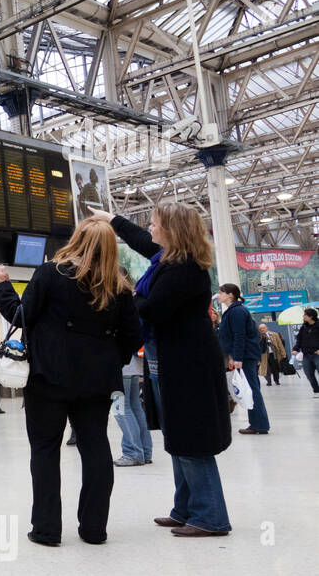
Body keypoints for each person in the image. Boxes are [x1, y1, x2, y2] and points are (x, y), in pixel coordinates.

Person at [0, 221, 141, 546]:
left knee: (44, 450)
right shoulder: (120, 284)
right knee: (95, 446)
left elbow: (21, 316)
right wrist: (109, 360)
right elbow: (132, 335)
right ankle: (94, 529)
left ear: (77, 239)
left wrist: (2, 286)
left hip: (49, 376)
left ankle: (46, 529)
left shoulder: (51, 273)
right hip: (97, 381)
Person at [92, 205, 233, 537]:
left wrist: (122, 289)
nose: (150, 229)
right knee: (178, 437)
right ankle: (185, 509)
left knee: (191, 438)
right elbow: (141, 240)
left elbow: (151, 310)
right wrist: (111, 219)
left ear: (172, 231)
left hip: (190, 363)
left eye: (155, 224)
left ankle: (211, 516)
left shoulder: (181, 271)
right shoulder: (169, 261)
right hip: (177, 358)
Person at [217, 283, 268, 435]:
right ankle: (258, 423)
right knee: (251, 389)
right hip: (244, 355)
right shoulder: (234, 310)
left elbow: (239, 335)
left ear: (230, 295)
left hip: (245, 356)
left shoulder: (237, 311)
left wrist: (237, 357)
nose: (219, 295)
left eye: (221, 292)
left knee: (251, 389)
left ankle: (259, 424)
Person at [113, 350, 153, 467]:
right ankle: (145, 451)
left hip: (121, 367)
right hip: (134, 364)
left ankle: (133, 453)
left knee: (119, 409)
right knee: (135, 407)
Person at [296, 307, 319, 395]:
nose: (303, 316)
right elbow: (299, 339)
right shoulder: (303, 327)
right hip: (306, 355)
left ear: (311, 316)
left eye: (305, 315)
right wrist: (295, 349)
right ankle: (316, 390)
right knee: (308, 373)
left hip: (317, 354)